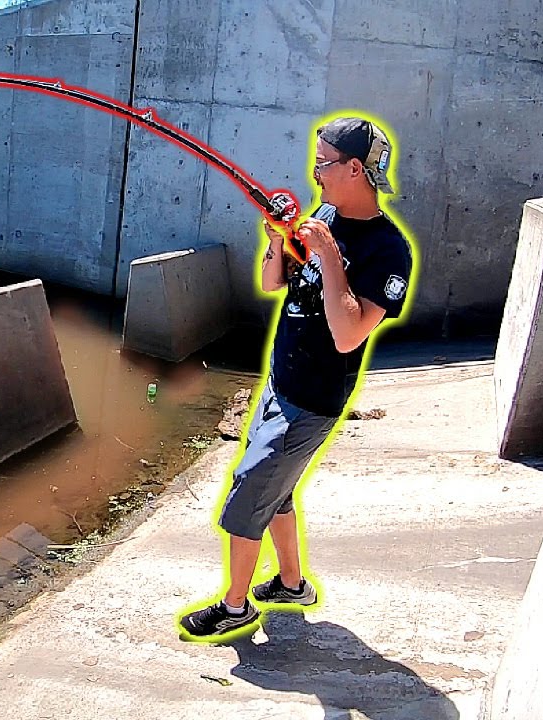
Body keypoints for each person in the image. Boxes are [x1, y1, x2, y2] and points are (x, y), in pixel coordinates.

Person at [177, 115, 414, 641]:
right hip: (280, 383)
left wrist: (329, 254)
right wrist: (276, 241)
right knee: (276, 492)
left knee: (247, 498)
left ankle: (236, 606)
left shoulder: (387, 250)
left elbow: (350, 333)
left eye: (325, 163)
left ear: (356, 168)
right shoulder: (324, 213)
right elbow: (272, 282)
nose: (316, 173)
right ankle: (291, 584)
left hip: (312, 398)